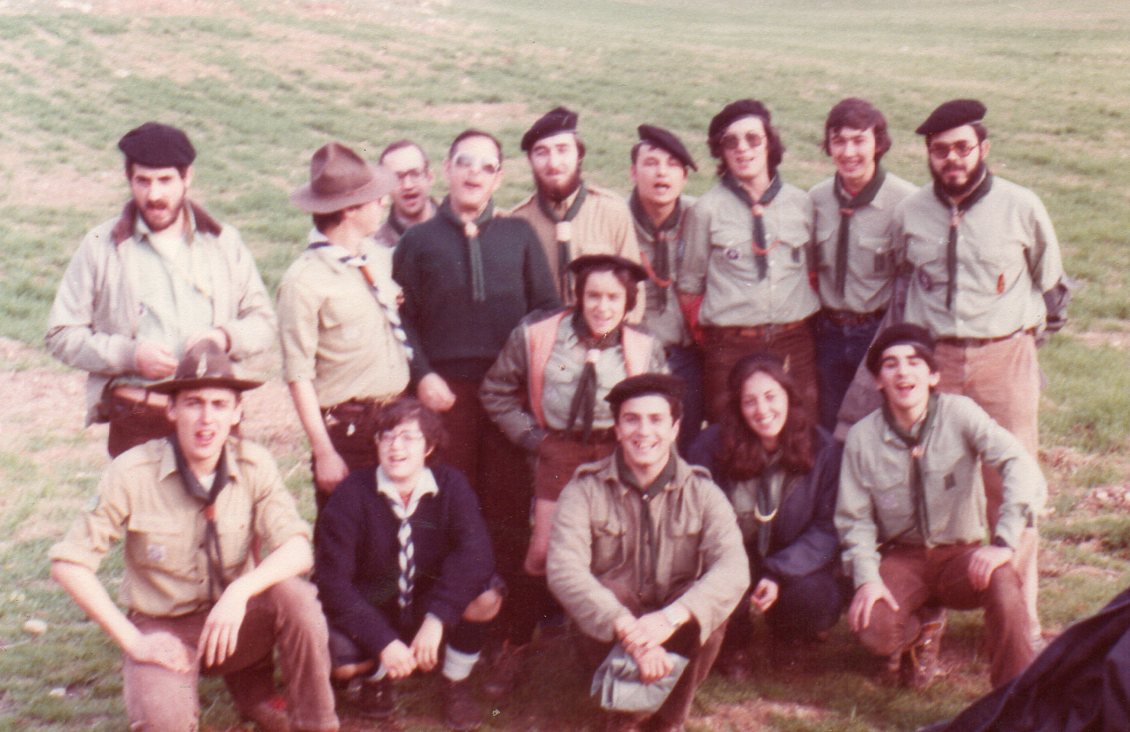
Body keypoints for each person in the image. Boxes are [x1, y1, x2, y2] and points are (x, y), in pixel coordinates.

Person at [48, 342, 337, 732]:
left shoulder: (254, 463)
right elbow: (69, 564)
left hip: (235, 621)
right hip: (165, 631)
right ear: (171, 409)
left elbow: (298, 549)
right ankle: (216, 691)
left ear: (237, 413)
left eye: (219, 405)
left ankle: (315, 724)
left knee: (297, 599)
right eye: (193, 403)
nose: (206, 419)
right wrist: (134, 642)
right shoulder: (133, 471)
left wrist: (240, 592)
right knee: (163, 723)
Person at [894, 99, 1070, 643]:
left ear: (983, 149)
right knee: (935, 481)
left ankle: (1019, 622)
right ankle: (932, 610)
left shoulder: (1022, 206)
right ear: (928, 154)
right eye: (940, 150)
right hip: (934, 362)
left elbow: (1052, 285)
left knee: (1012, 480)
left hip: (1003, 356)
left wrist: (1016, 339)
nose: (952, 159)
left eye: (962, 148)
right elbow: (902, 281)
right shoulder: (911, 211)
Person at [393, 128, 559, 697]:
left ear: (498, 177)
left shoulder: (518, 236)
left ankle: (506, 635)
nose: (474, 175)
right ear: (446, 168)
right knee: (449, 510)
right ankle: (446, 630)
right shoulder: (417, 242)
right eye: (464, 163)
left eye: (486, 167)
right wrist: (424, 375)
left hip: (508, 394)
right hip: (446, 398)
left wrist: (530, 381)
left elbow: (548, 312)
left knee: (510, 511)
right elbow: (400, 323)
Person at [45, 122, 276, 457]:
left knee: (219, 511)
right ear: (129, 180)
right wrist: (129, 355)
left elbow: (264, 324)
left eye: (165, 181)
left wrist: (224, 338)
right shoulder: (100, 245)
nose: (154, 195)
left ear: (187, 178)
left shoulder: (224, 242)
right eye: (143, 181)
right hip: (139, 413)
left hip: (212, 420)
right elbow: (60, 334)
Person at [835, 324, 1045, 689]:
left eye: (915, 362)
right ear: (877, 381)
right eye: (890, 365)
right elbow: (855, 520)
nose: (903, 372)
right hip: (903, 558)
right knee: (874, 628)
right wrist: (867, 578)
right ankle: (921, 631)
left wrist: (1003, 544)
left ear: (933, 376)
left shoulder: (960, 413)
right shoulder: (862, 438)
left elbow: (1019, 463)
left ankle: (1015, 697)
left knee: (1004, 581)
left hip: (959, 557)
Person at [547, 374, 747, 731]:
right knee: (606, 593)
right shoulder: (584, 489)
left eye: (656, 420)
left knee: (708, 610)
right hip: (615, 623)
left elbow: (734, 568)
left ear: (674, 428)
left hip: (673, 623)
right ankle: (627, 712)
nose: (644, 431)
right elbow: (565, 570)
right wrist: (629, 630)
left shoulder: (702, 491)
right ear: (618, 429)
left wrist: (671, 618)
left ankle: (661, 721)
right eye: (632, 419)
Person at [314, 398, 500, 731]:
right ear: (376, 443)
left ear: (429, 446)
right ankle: (377, 675)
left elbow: (476, 553)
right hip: (373, 610)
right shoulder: (352, 493)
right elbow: (332, 582)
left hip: (429, 608)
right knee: (337, 662)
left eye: (408, 437)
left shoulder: (450, 485)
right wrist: (381, 640)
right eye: (386, 436)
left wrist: (438, 617)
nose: (395, 446)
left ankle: (453, 681)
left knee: (487, 597)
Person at [481, 254, 666, 576]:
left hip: (616, 451)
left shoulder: (644, 346)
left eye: (613, 298)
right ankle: (547, 616)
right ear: (579, 296)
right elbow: (496, 391)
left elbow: (663, 407)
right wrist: (533, 439)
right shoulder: (536, 335)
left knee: (610, 546)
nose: (602, 307)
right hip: (558, 451)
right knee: (544, 551)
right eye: (593, 296)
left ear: (629, 301)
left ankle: (596, 618)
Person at [687, 353, 844, 679]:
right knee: (716, 584)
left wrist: (778, 572)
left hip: (791, 560)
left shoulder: (823, 447)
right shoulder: (711, 446)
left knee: (816, 597)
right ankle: (734, 642)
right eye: (750, 402)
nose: (763, 410)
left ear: (789, 396)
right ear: (737, 408)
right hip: (731, 556)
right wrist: (733, 569)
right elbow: (697, 518)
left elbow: (827, 528)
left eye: (771, 397)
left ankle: (789, 637)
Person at [278, 141, 414, 512]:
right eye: (374, 198)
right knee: (348, 544)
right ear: (350, 210)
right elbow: (298, 375)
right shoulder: (304, 281)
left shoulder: (380, 259)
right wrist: (324, 451)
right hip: (348, 431)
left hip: (397, 422)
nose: (384, 203)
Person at [677, 99, 819, 423]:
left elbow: (811, 273)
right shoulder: (706, 211)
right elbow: (688, 288)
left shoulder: (801, 203)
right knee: (730, 440)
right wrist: (719, 338)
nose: (743, 149)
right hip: (730, 347)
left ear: (769, 142)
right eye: (731, 142)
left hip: (793, 343)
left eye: (753, 139)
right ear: (721, 153)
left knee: (801, 431)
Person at [809, 98, 917, 430]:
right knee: (826, 425)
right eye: (839, 141)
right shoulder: (816, 199)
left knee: (876, 425)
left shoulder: (905, 202)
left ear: (878, 144)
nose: (848, 152)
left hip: (876, 332)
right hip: (826, 332)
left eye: (859, 140)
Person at [509, 106, 642, 309]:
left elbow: (633, 296)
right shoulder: (518, 221)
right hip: (541, 335)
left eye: (562, 150)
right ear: (530, 161)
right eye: (541, 153)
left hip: (603, 335)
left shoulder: (612, 211)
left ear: (579, 154)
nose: (553, 163)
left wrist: (609, 340)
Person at [628, 124, 705, 453]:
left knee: (684, 446)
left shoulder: (699, 215)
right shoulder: (617, 218)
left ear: (685, 177)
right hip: (636, 355)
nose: (662, 173)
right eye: (651, 163)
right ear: (633, 171)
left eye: (673, 165)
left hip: (688, 356)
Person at [375, 139, 438, 248]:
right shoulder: (376, 247)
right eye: (397, 177)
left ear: (429, 177)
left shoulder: (461, 229)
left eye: (414, 174)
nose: (407, 185)